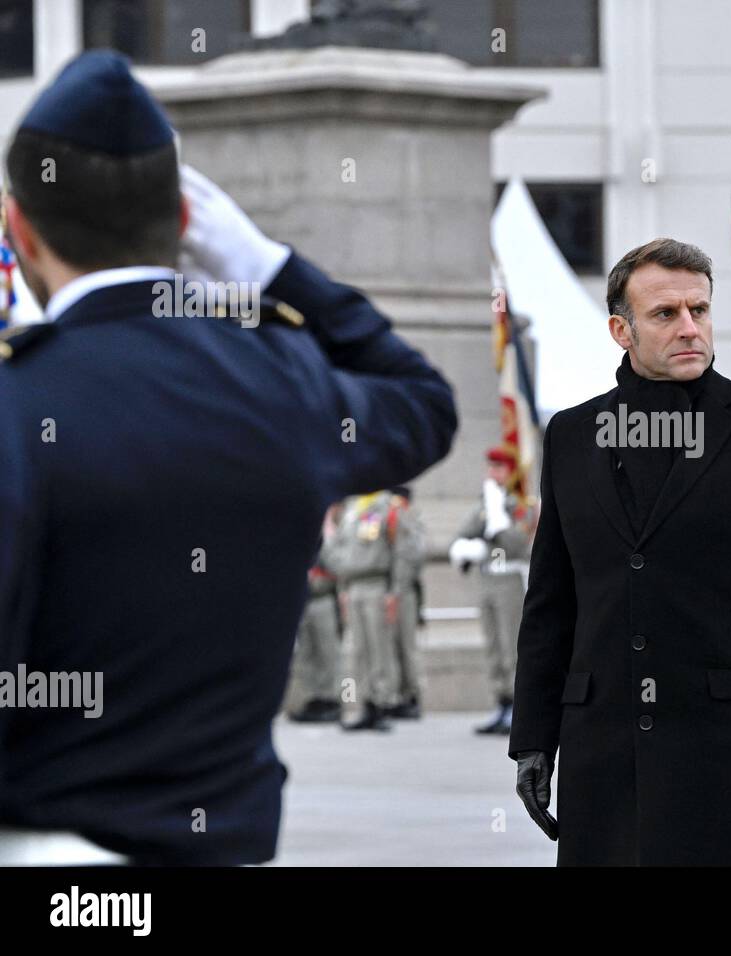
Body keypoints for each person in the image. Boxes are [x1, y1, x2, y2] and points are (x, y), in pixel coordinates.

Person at [0, 51, 457, 864]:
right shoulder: (282, 383)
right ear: (184, 221)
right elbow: (424, 405)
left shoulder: (20, 398)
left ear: (18, 228)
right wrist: (272, 268)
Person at [509, 238, 731, 866]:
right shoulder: (571, 436)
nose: (689, 328)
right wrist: (533, 740)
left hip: (723, 747)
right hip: (602, 751)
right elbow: (551, 602)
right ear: (621, 329)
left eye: (699, 310)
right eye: (665, 314)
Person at [450, 446, 533, 736]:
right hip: (487, 579)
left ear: (510, 472)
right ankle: (501, 703)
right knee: (494, 648)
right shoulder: (485, 504)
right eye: (490, 468)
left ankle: (519, 710)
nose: (492, 474)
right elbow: (463, 533)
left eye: (498, 468)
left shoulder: (522, 506)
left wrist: (498, 517)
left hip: (508, 580)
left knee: (511, 647)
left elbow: (517, 544)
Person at [324, 489, 417, 731]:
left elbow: (402, 552)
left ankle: (382, 702)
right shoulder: (354, 508)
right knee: (357, 650)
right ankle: (363, 703)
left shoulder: (388, 507)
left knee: (379, 647)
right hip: (353, 585)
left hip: (377, 583)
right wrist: (343, 585)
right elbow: (340, 548)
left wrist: (395, 590)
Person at [285, 509, 343, 723]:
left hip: (323, 597)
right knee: (307, 654)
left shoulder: (329, 532)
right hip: (303, 598)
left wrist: (326, 537)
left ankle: (335, 699)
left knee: (329, 652)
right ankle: (315, 698)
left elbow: (338, 564)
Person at [387, 486, 426, 720]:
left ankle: (412, 695)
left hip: (404, 591)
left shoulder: (409, 518)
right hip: (394, 589)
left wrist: (398, 588)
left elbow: (412, 554)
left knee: (406, 645)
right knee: (393, 644)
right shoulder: (396, 517)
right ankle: (399, 694)